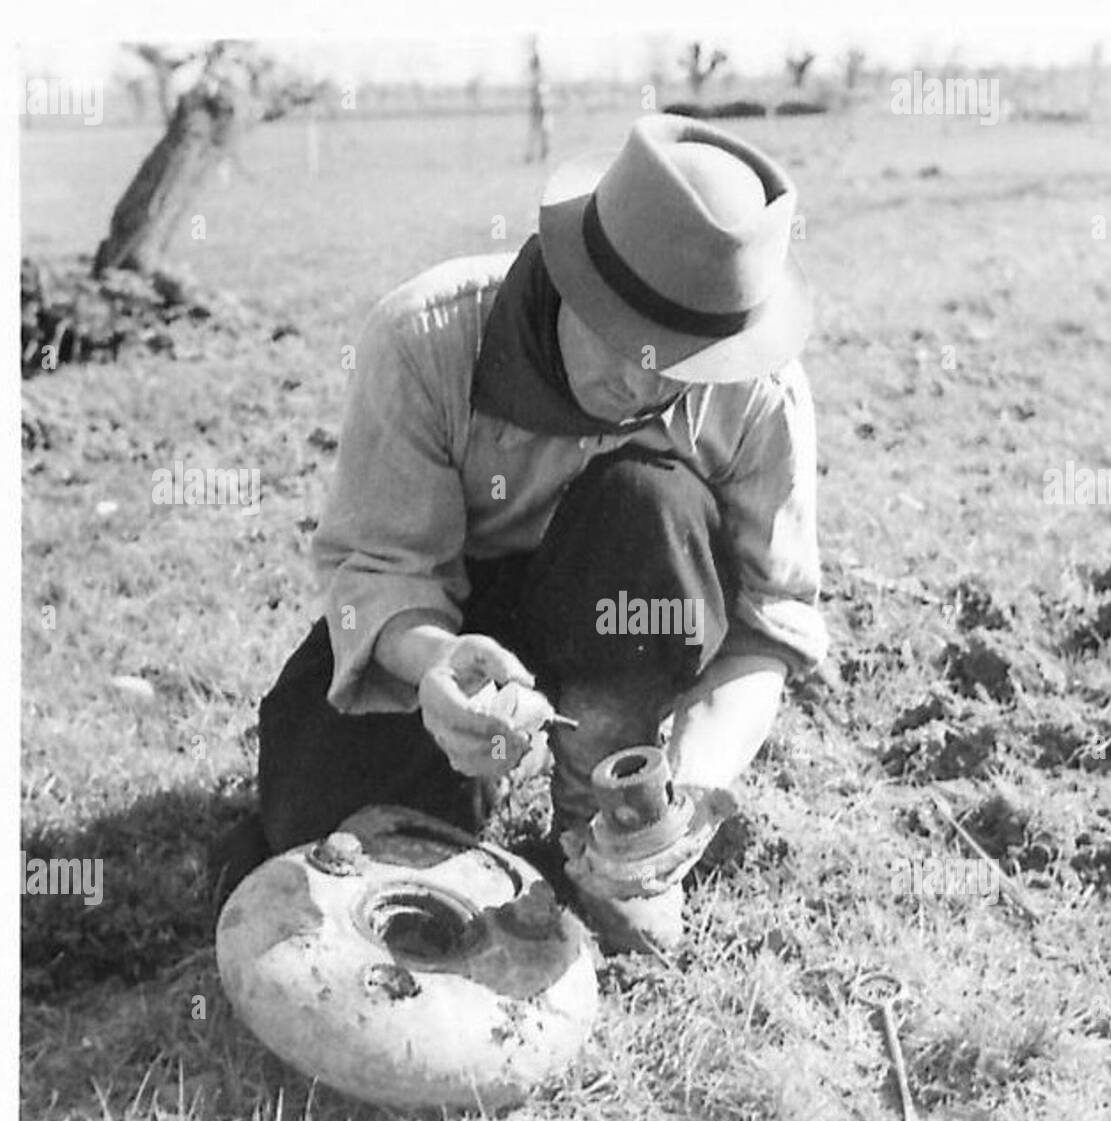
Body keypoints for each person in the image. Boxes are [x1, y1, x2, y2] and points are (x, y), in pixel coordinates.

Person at [216, 113, 829, 952]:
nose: (640, 381)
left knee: (648, 499)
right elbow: (382, 566)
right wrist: (434, 667)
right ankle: (460, 786)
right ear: (572, 274)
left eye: (678, 359)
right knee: (319, 826)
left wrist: (691, 781)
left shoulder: (757, 392)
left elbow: (770, 619)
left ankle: (601, 811)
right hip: (460, 622)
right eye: (624, 339)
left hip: (630, 610)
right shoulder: (426, 339)